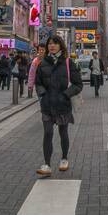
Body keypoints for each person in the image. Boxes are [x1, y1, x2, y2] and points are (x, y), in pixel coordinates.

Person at [35, 35, 83, 176]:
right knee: (48, 133)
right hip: (47, 104)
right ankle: (47, 165)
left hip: (63, 104)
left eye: (55, 43)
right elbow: (38, 82)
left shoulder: (68, 63)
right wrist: (42, 93)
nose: (52, 46)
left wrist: (65, 95)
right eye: (50, 43)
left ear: (60, 46)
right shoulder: (42, 64)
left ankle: (64, 158)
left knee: (63, 133)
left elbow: (78, 84)